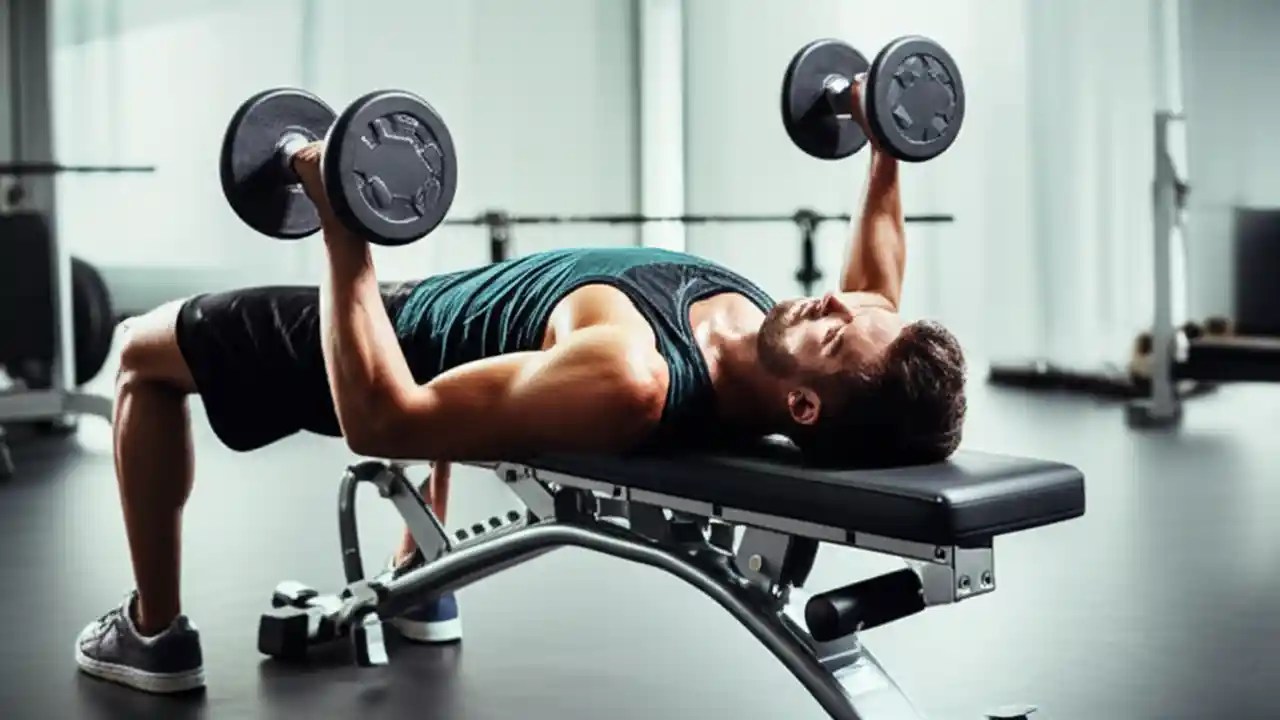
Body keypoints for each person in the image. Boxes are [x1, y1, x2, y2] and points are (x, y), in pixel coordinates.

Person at [75, 76, 966, 694]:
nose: (833, 303)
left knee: (135, 354)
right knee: (480, 353)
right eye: (848, 306)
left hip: (385, 333)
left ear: (804, 408)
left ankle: (154, 635)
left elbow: (387, 418)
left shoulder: (632, 373)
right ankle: (422, 578)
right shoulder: (789, 348)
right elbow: (876, 289)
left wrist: (339, 221)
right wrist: (884, 145)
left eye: (839, 328)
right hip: (448, 316)